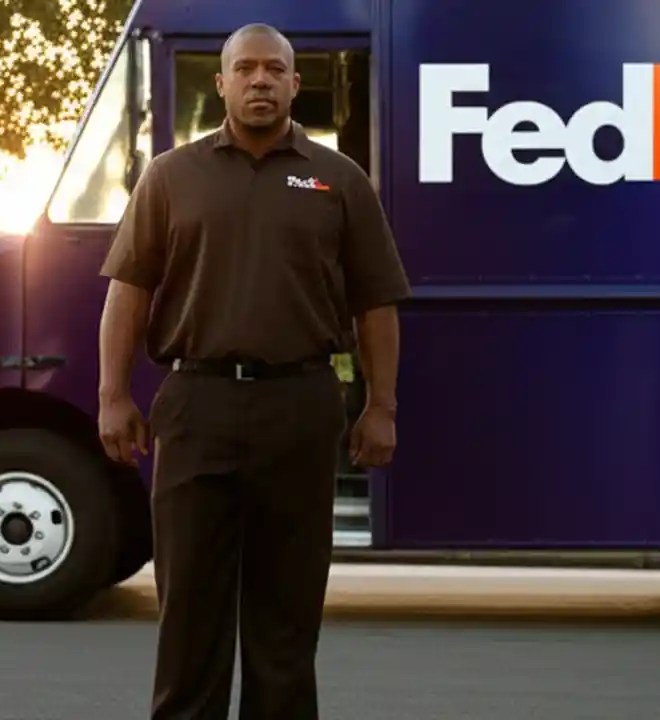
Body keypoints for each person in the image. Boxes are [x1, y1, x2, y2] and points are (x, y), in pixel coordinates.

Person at [95, 22, 411, 720]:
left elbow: (376, 303)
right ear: (223, 83)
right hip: (196, 405)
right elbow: (129, 290)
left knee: (286, 617)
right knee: (190, 613)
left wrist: (381, 405)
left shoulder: (339, 179)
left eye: (274, 69)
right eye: (245, 69)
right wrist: (113, 394)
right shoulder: (170, 176)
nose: (260, 80)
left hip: (300, 405)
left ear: (295, 84)